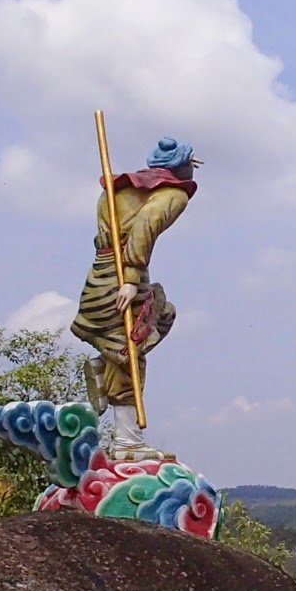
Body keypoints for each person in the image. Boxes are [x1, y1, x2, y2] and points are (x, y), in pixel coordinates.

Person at [71, 136, 200, 458]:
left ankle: (105, 366)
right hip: (119, 275)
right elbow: (146, 225)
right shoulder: (171, 195)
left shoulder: (117, 190)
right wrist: (130, 278)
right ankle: (128, 443)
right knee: (130, 350)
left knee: (160, 313)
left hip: (101, 272)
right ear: (182, 167)